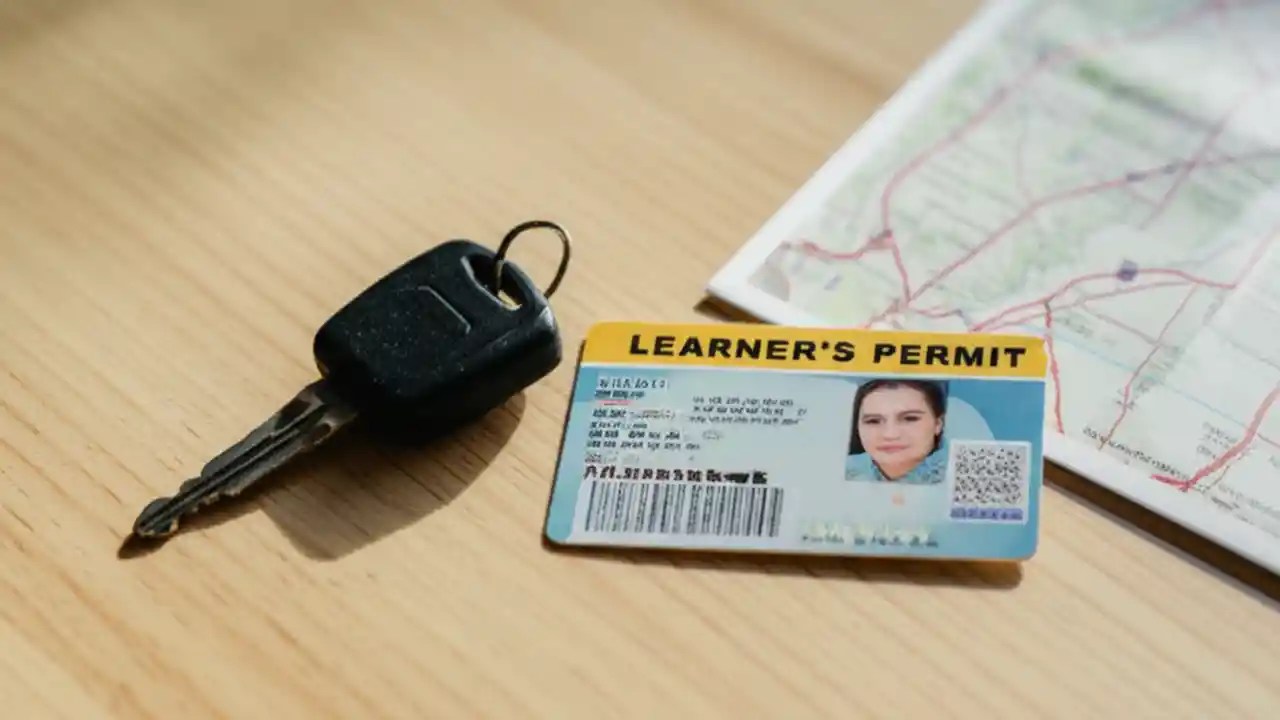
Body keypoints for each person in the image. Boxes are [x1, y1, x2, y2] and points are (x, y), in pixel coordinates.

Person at [845, 379, 947, 484]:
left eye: (909, 419)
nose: (890, 434)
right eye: (873, 421)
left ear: (938, 424)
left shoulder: (955, 474)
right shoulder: (836, 470)